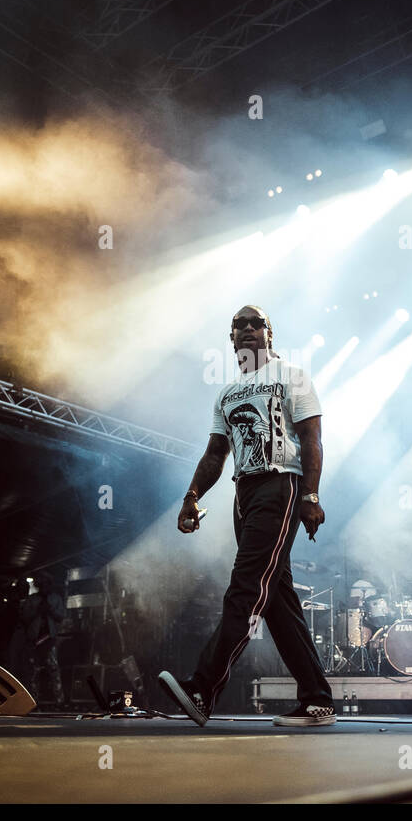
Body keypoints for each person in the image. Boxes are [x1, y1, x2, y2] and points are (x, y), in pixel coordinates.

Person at [158, 305, 336, 727]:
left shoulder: (291, 375)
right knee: (276, 599)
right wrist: (191, 495)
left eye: (257, 323)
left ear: (270, 334)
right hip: (245, 491)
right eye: (240, 325)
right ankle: (318, 701)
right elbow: (216, 453)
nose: (249, 330)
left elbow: (312, 439)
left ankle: (203, 689)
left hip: (281, 485)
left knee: (248, 585)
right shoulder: (226, 393)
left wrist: (311, 494)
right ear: (232, 338)